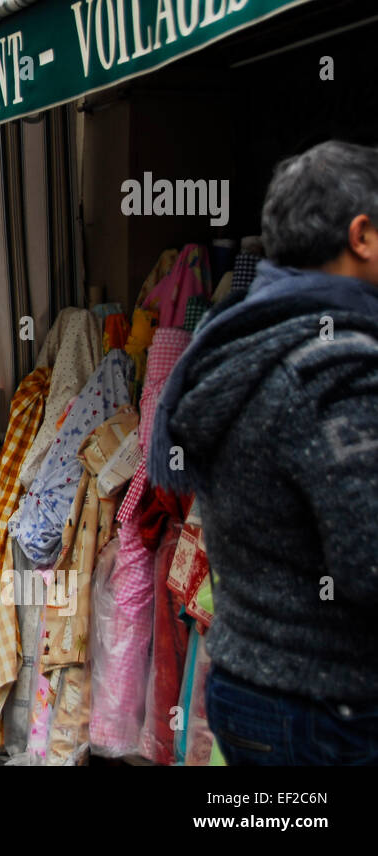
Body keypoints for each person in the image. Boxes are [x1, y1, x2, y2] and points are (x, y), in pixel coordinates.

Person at [150, 139, 378, 766]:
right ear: (361, 236)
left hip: (250, 684)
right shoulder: (337, 364)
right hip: (330, 707)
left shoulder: (240, 346)